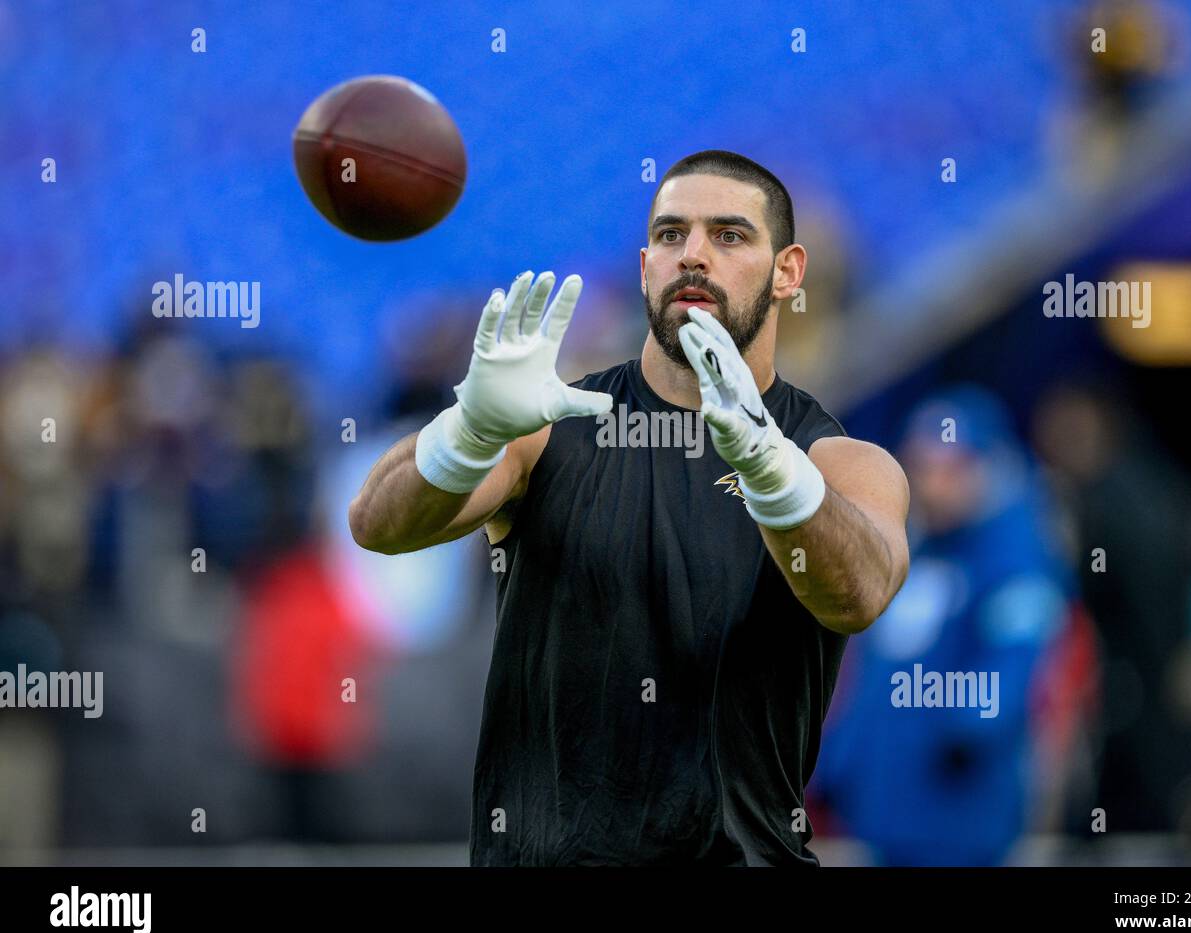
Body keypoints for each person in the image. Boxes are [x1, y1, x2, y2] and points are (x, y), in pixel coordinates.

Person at [348, 150, 910, 866]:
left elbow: (858, 593)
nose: (694, 255)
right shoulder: (549, 431)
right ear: (647, 265)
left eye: (730, 235)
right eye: (672, 235)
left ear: (788, 272)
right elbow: (377, 525)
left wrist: (771, 470)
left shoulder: (839, 462)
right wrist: (466, 431)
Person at [814, 386, 1071, 865]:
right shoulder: (907, 551)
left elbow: (1013, 667)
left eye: (949, 469)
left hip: (965, 818)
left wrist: (968, 729)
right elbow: (874, 677)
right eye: (922, 468)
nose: (933, 485)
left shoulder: (1014, 561)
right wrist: (837, 762)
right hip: (883, 813)